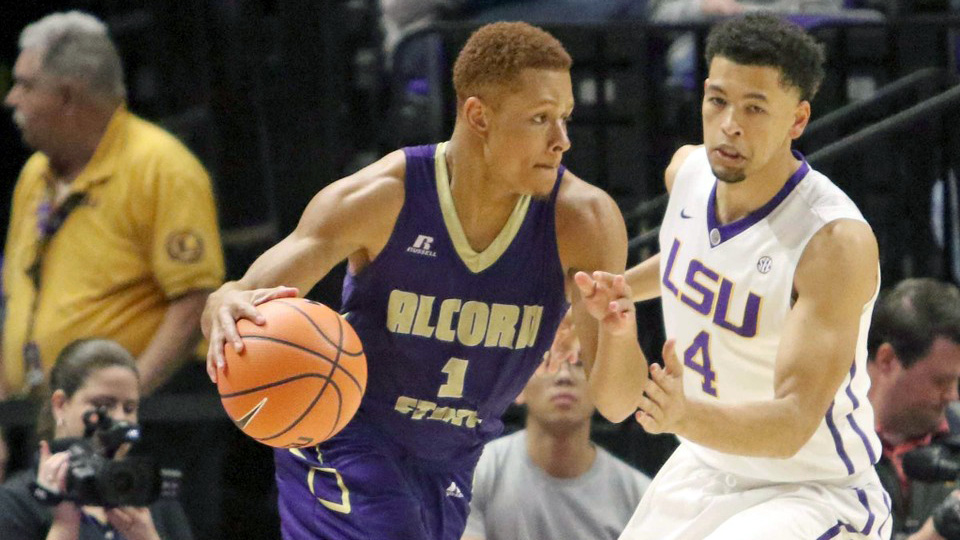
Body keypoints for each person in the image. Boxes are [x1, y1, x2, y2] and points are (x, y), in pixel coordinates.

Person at [202, 21, 647, 540]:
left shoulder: (584, 220)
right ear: (478, 115)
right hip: (346, 436)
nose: (561, 141)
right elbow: (236, 298)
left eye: (565, 118)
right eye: (540, 119)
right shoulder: (382, 197)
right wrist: (223, 305)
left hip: (451, 463)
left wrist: (616, 332)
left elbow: (617, 402)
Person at [617, 13, 891, 539]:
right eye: (718, 101)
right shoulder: (687, 173)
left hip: (812, 491)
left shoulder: (832, 243)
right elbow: (690, 260)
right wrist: (620, 288)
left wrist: (681, 415)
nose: (730, 124)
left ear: (798, 119)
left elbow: (791, 424)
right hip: (703, 464)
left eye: (755, 108)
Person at [1, 12, 225, 539]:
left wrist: (123, 411)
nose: (12, 99)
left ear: (67, 95)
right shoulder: (35, 174)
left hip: (154, 427)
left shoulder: (162, 166)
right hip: (48, 421)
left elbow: (195, 303)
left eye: (25, 84)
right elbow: (12, 296)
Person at [461, 317, 651, 540]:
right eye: (549, 361)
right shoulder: (476, 472)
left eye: (580, 363)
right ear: (517, 384)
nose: (564, 376)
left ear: (602, 386)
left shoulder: (640, 495)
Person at [0, 338, 193, 540]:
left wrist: (147, 536)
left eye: (129, 408)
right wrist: (64, 526)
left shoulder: (153, 499)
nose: (120, 419)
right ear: (60, 405)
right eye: (103, 405)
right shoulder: (17, 501)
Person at [866, 278, 960, 540]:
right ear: (887, 360)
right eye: (940, 381)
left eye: (957, 381)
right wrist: (937, 532)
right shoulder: (824, 446)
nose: (953, 396)